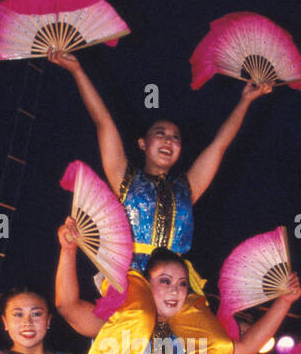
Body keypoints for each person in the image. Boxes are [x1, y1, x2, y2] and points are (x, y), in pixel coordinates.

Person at [49, 50, 272, 278]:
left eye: (176, 137)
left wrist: (246, 100)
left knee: (203, 315)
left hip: (174, 280)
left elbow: (219, 145)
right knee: (141, 314)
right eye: (161, 133)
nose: (169, 140)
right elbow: (103, 121)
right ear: (142, 143)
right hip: (133, 278)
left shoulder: (187, 188)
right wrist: (77, 71)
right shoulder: (124, 178)